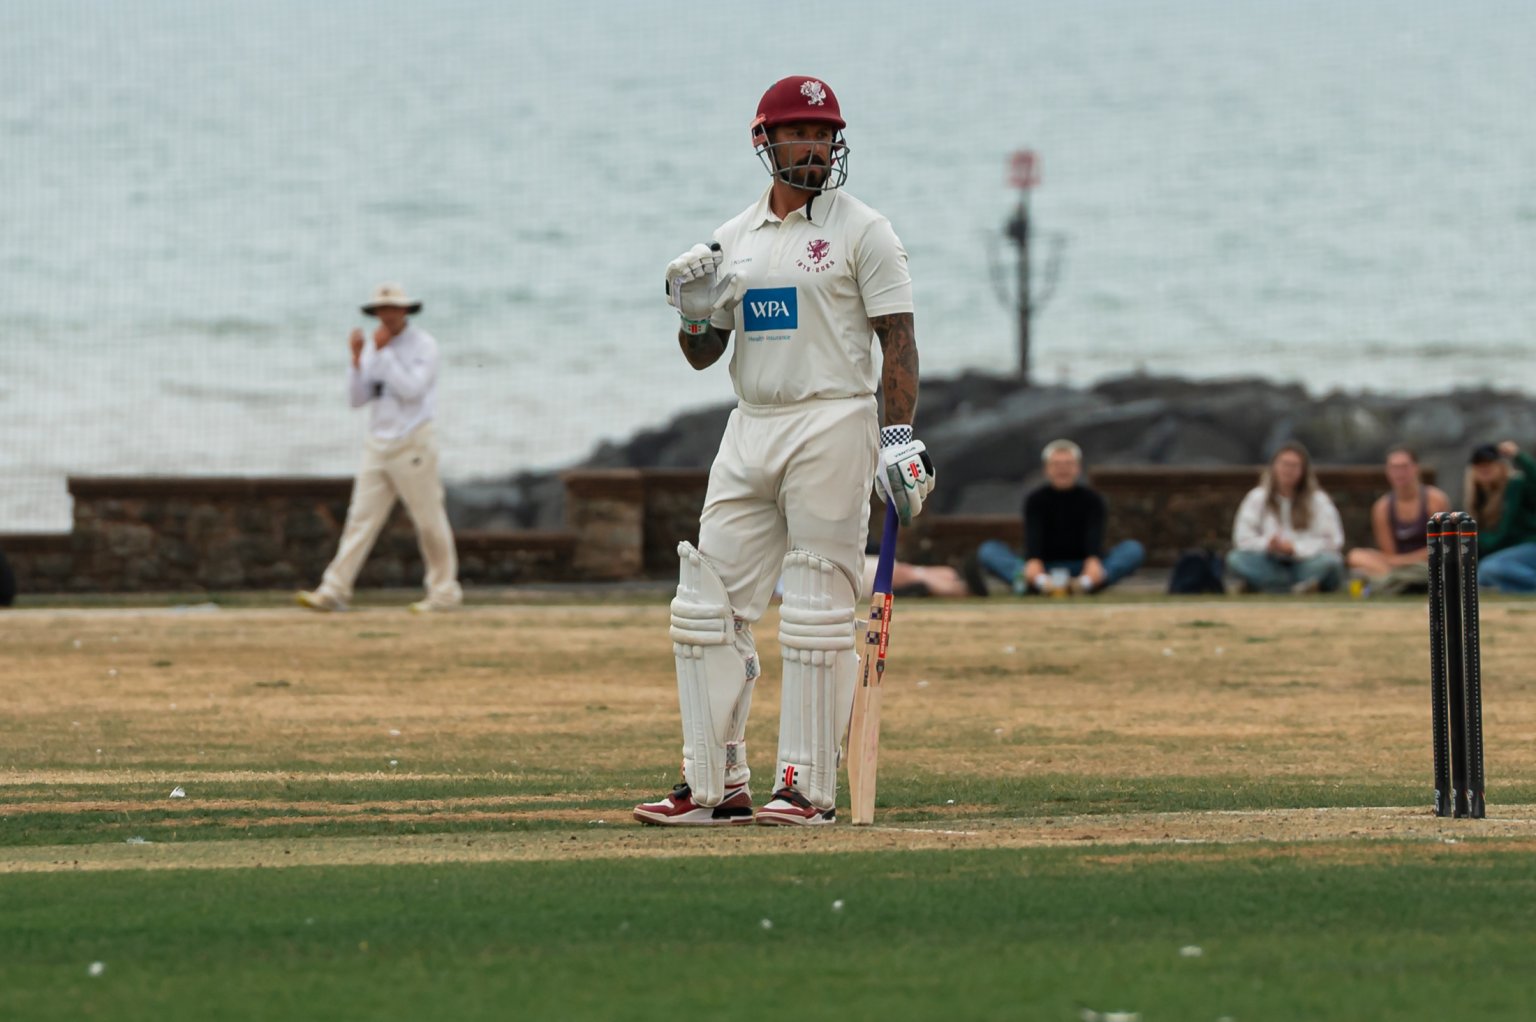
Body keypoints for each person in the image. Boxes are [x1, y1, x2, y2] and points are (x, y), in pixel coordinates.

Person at [634, 76, 934, 828]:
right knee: (707, 606)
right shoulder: (730, 240)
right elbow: (702, 357)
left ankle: (805, 785)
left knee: (818, 609)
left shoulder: (866, 231)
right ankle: (713, 783)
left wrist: (897, 437)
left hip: (833, 421)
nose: (815, 146)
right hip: (750, 423)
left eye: (825, 133)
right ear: (763, 142)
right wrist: (695, 317)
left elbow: (898, 339)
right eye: (799, 132)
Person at [296, 284, 463, 614]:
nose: (387, 315)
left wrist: (383, 354)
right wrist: (357, 360)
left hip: (412, 441)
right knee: (360, 519)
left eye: (393, 308)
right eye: (381, 309)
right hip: (378, 443)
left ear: (405, 311)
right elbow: (357, 399)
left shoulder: (424, 345)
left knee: (428, 520)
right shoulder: (375, 347)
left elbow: (413, 390)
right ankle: (334, 590)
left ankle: (444, 593)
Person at [968, 439, 1145, 596]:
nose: (1063, 469)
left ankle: (1084, 585)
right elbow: (1033, 538)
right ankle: (1042, 585)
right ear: (1047, 468)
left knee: (1133, 550)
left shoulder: (1092, 499)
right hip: (1044, 567)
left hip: (1082, 568)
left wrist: (1092, 565)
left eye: (1068, 464)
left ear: (1078, 467)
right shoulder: (1036, 499)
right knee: (989, 550)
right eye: (1057, 464)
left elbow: (1094, 540)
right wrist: (1035, 568)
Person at [1225, 441, 1344, 594]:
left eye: (1294, 466)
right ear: (1274, 467)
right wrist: (1268, 544)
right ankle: (1296, 587)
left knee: (1331, 562)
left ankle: (1270, 586)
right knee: (1235, 559)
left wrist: (1295, 548)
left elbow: (1333, 541)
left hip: (1305, 564)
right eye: (1284, 464)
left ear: (1303, 470)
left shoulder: (1318, 500)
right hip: (1269, 562)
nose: (1288, 470)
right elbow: (1242, 539)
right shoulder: (1257, 498)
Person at [1345, 445, 1449, 593]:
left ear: (1415, 468)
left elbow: (1441, 546)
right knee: (1355, 556)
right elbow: (1389, 553)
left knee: (1436, 566)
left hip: (1427, 563)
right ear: (1387, 472)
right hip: (1395, 566)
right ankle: (1399, 582)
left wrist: (1404, 561)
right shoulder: (1382, 507)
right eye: (1394, 468)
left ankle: (1391, 583)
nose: (1400, 473)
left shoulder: (1435, 499)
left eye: (1404, 467)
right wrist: (1396, 563)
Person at [1466, 441, 1536, 592]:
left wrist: (1518, 456)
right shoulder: (1478, 500)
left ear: (1501, 466)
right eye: (1479, 464)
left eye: (1489, 463)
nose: (1484, 468)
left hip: (1529, 546)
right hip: (1506, 556)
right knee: (1479, 576)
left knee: (1490, 568)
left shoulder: (1516, 485)